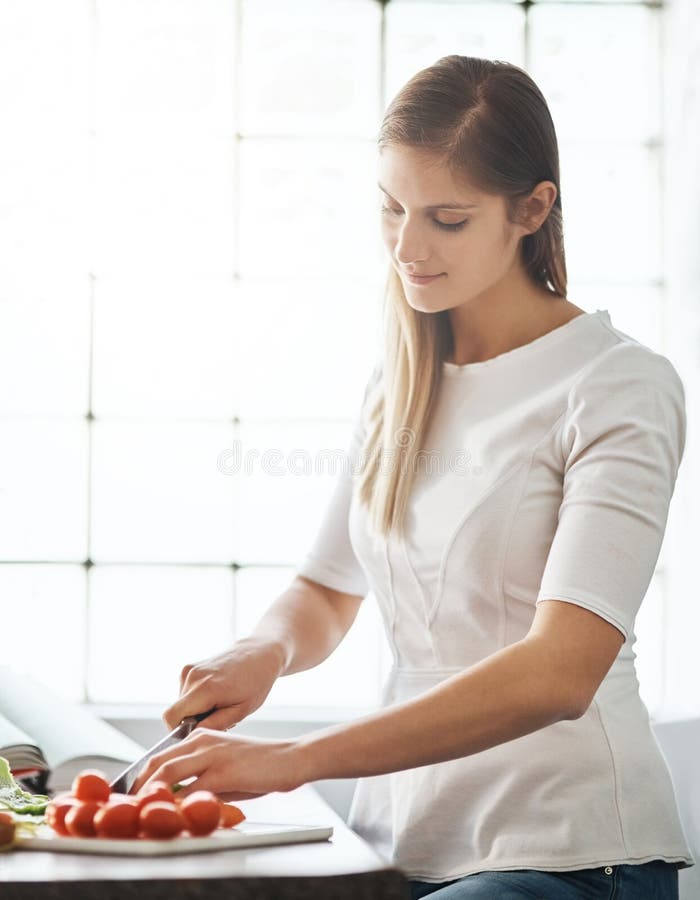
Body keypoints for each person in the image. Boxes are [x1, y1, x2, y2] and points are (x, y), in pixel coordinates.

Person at [132, 56, 694, 898]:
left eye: (447, 218)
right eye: (390, 209)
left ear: (532, 210)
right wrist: (264, 650)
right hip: (406, 843)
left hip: (569, 854)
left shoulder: (616, 384)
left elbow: (559, 673)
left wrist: (293, 762)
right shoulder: (401, 381)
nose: (407, 245)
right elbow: (326, 593)